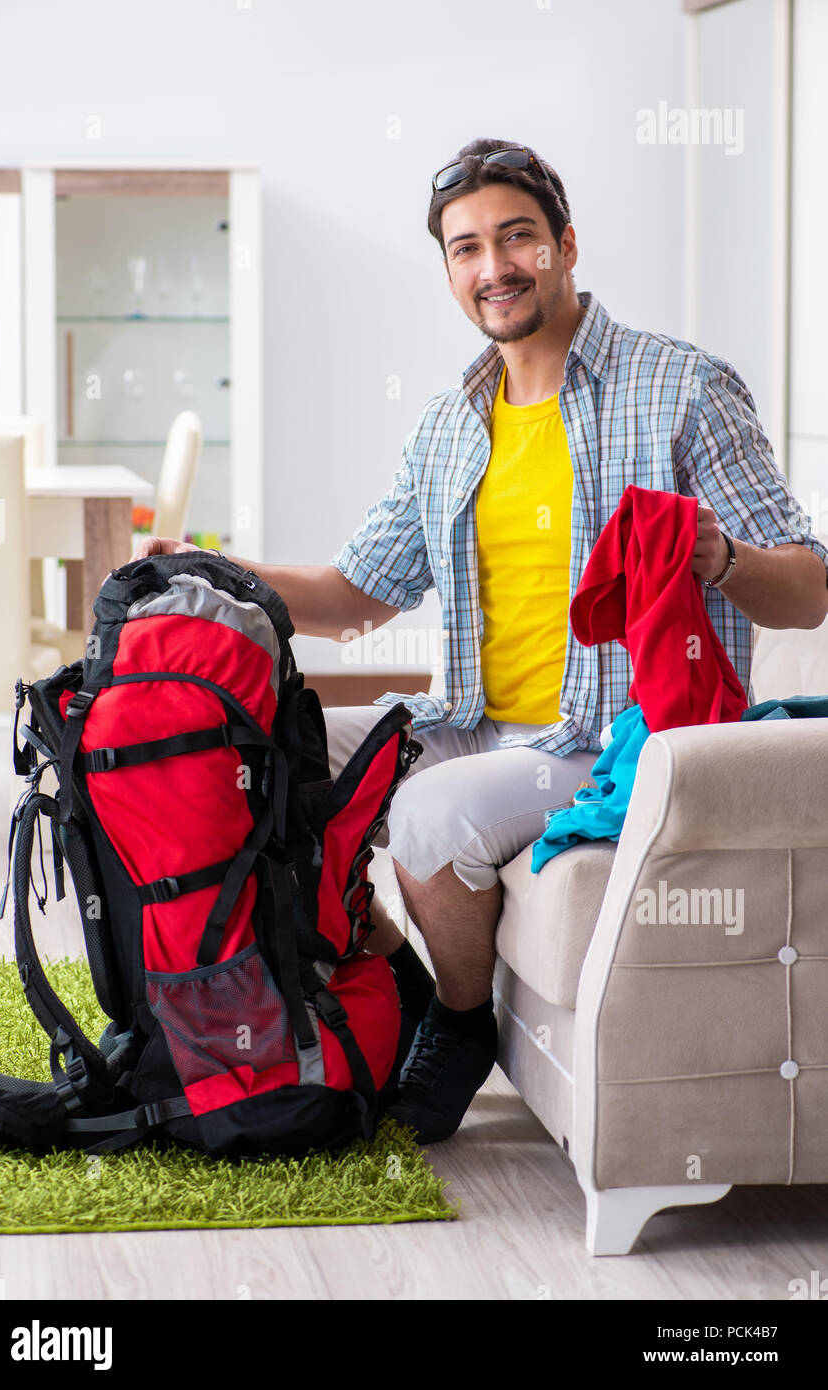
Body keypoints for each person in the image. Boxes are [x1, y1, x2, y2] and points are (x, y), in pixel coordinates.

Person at [133, 137, 828, 1145]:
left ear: (565, 245)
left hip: (608, 734)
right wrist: (210, 568)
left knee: (426, 816)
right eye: (467, 248)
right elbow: (352, 593)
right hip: (466, 719)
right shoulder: (454, 423)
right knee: (251, 755)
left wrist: (719, 559)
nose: (493, 266)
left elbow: (808, 587)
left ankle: (457, 1026)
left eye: (517, 238)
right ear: (449, 270)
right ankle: (388, 980)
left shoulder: (678, 386)